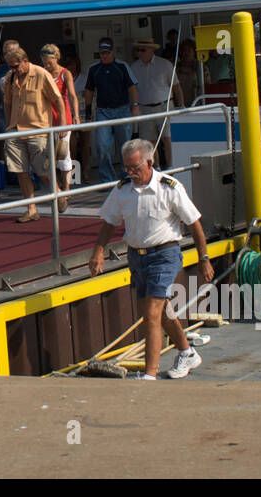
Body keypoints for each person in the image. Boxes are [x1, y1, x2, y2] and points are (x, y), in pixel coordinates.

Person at [89, 139, 213, 380]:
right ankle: (187, 352)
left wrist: (204, 258)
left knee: (151, 314)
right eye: (127, 168)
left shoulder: (170, 188)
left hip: (164, 255)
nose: (131, 172)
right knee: (163, 311)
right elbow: (109, 222)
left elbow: (194, 224)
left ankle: (149, 375)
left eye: (135, 167)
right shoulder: (123, 190)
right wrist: (98, 251)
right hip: (137, 257)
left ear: (149, 162)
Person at [3, 47, 64, 223]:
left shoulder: (41, 74)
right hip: (15, 129)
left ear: (25, 61)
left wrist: (62, 125)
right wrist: (8, 126)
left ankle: (59, 192)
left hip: (38, 129)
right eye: (10, 66)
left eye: (15, 66)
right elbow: (7, 102)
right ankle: (31, 208)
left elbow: (58, 99)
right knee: (19, 170)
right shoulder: (10, 77)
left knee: (41, 169)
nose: (13, 69)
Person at [82, 37, 141, 182]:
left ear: (113, 52)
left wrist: (135, 106)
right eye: (102, 53)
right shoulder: (94, 69)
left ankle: (126, 175)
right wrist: (88, 112)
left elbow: (132, 87)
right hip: (103, 111)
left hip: (122, 110)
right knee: (102, 147)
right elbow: (89, 91)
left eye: (107, 53)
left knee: (125, 147)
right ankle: (107, 179)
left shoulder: (122, 66)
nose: (104, 55)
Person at [130, 37, 182, 165]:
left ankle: (171, 167)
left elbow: (176, 87)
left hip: (165, 107)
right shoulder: (134, 67)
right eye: (138, 50)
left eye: (143, 50)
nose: (139, 53)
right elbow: (132, 89)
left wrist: (181, 106)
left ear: (152, 50)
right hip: (144, 108)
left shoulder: (165, 64)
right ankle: (156, 169)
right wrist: (134, 106)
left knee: (168, 139)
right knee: (149, 143)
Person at [39, 43, 77, 212]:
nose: (47, 65)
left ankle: (66, 189)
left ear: (56, 58)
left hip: (63, 119)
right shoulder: (42, 73)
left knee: (63, 154)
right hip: (47, 120)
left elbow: (73, 95)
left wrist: (76, 115)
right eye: (44, 62)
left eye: (50, 62)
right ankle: (57, 187)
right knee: (46, 156)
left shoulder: (65, 73)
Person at [175, 38, 200, 108]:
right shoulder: (176, 67)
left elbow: (207, 84)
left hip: (198, 103)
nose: (186, 53)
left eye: (189, 50)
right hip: (181, 104)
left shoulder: (200, 67)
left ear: (194, 52)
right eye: (184, 50)